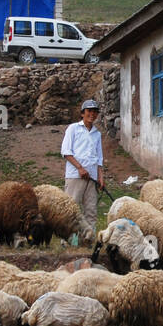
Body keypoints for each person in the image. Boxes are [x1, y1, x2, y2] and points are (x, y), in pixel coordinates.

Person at [62, 99, 106, 243]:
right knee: (72, 209)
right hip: (75, 176)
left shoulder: (96, 134)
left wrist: (101, 177)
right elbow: (66, 151)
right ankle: (69, 241)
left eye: (95, 112)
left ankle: (88, 240)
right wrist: (79, 168)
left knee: (91, 210)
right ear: (82, 113)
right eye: (89, 111)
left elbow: (99, 158)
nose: (92, 114)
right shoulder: (73, 129)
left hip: (92, 177)